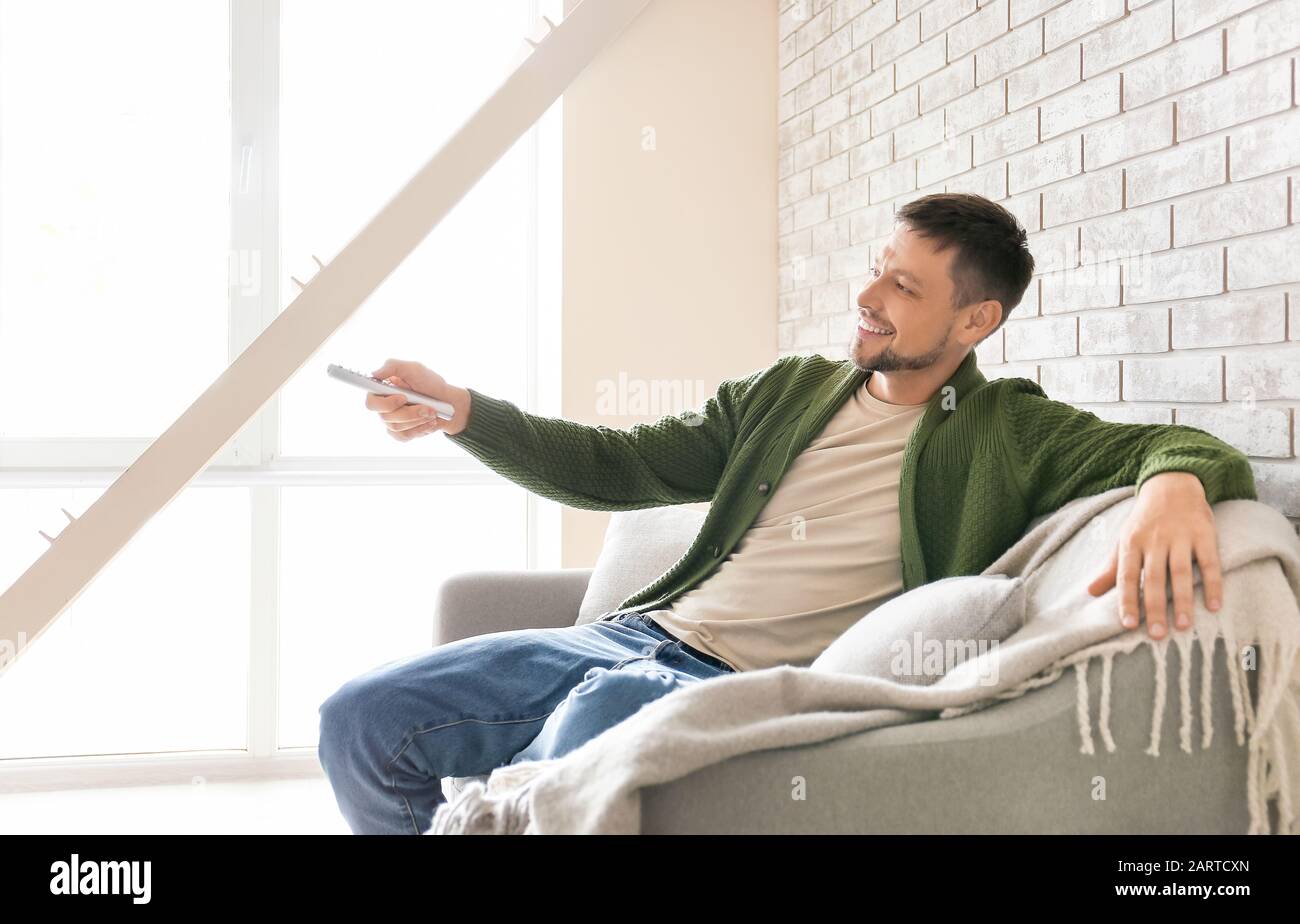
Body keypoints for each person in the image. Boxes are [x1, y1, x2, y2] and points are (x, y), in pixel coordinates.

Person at [317, 192, 1257, 834]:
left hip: (751, 685)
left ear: (975, 323)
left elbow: (1178, 448)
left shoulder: (1007, 429)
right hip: (639, 636)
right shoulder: (791, 391)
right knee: (360, 718)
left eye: (904, 286)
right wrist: (465, 411)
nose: (867, 296)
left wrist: (1174, 488)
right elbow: (620, 465)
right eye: (877, 268)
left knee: (588, 736)